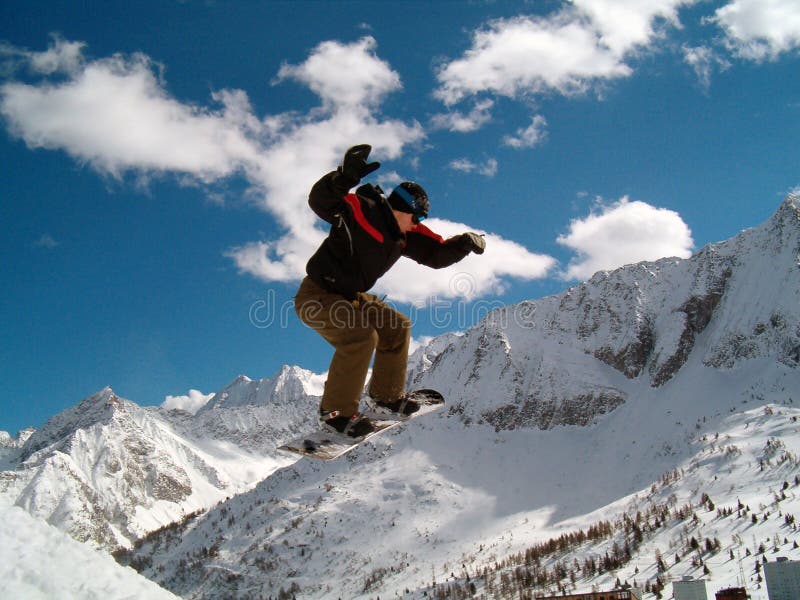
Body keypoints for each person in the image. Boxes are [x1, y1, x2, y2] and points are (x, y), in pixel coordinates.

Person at [294, 144, 486, 437]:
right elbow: (321, 202)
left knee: (397, 326)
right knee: (360, 337)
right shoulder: (361, 209)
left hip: (352, 296)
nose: (418, 224)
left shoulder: (404, 235)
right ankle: (336, 416)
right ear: (403, 209)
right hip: (317, 295)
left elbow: (436, 255)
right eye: (417, 217)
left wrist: (464, 243)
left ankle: (386, 397)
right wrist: (344, 177)